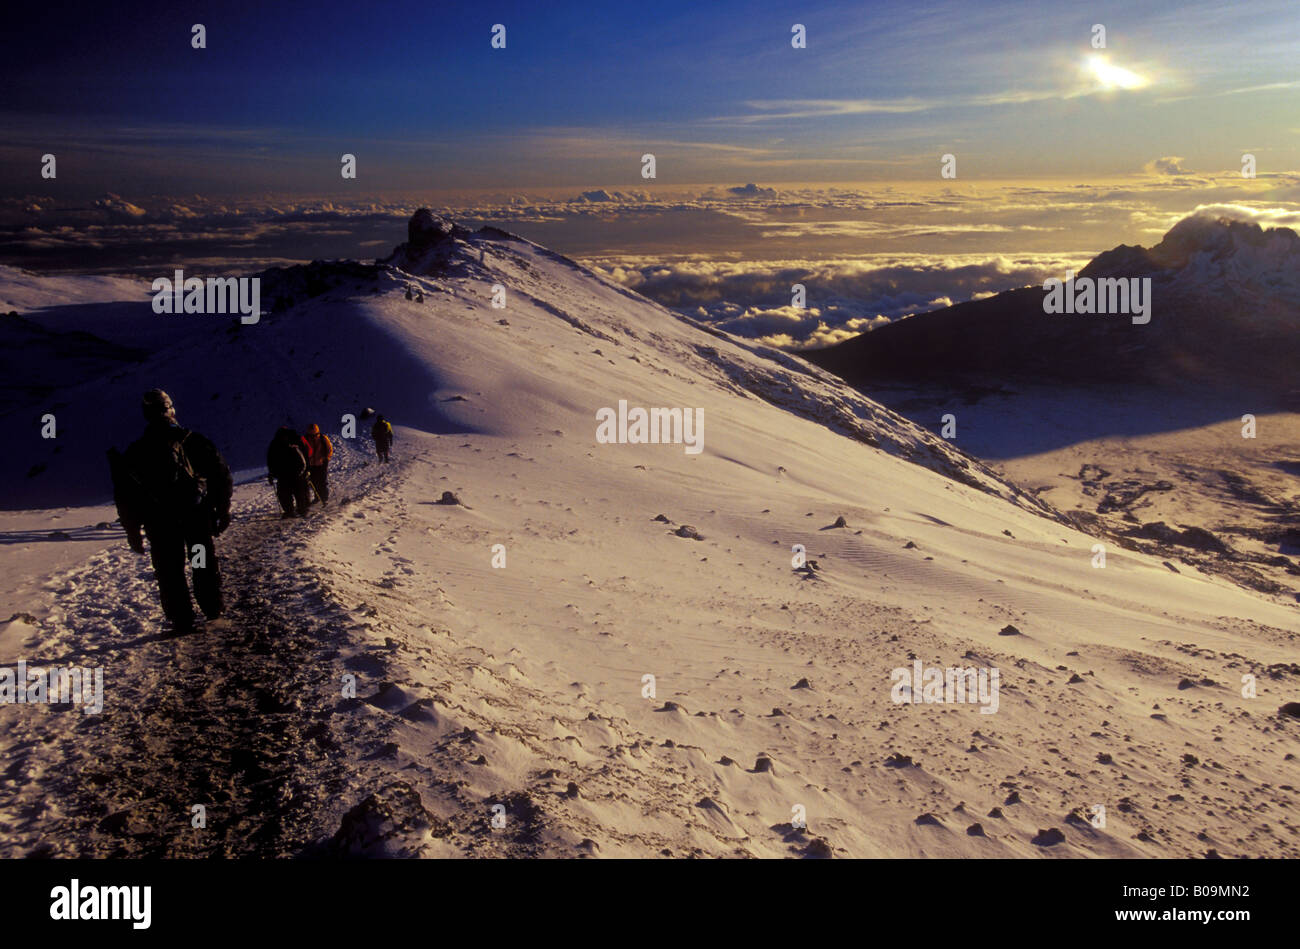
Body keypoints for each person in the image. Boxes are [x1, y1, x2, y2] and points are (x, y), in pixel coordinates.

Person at [108, 389, 233, 635]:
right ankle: (211, 609)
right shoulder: (192, 440)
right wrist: (222, 508)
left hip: (160, 522)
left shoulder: (136, 451)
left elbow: (125, 496)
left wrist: (132, 530)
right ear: (170, 410)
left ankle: (182, 619)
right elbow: (220, 474)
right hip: (194, 516)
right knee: (200, 561)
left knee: (170, 570)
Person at [267, 426, 311, 517]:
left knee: (286, 494)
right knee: (297, 493)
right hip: (293, 474)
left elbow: (270, 460)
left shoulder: (276, 444)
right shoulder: (294, 442)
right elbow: (304, 459)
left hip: (286, 474)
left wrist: (272, 473)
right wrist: (304, 470)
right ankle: (300, 510)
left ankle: (291, 511)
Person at [303, 422, 333, 504]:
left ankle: (324, 498)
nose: (312, 437)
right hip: (310, 465)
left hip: (321, 464)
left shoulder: (323, 439)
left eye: (313, 434)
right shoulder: (305, 439)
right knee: (313, 483)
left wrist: (326, 458)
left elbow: (329, 450)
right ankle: (317, 497)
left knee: (322, 482)